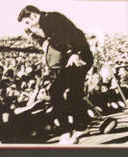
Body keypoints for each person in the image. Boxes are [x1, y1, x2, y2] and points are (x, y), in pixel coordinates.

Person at [17, 5, 92, 141]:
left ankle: (77, 128)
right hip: (69, 61)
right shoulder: (45, 25)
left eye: (27, 22)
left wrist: (75, 52)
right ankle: (74, 128)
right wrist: (32, 34)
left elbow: (73, 34)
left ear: (33, 16)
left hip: (78, 57)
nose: (29, 26)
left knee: (71, 93)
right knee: (56, 91)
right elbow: (48, 43)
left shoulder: (52, 19)